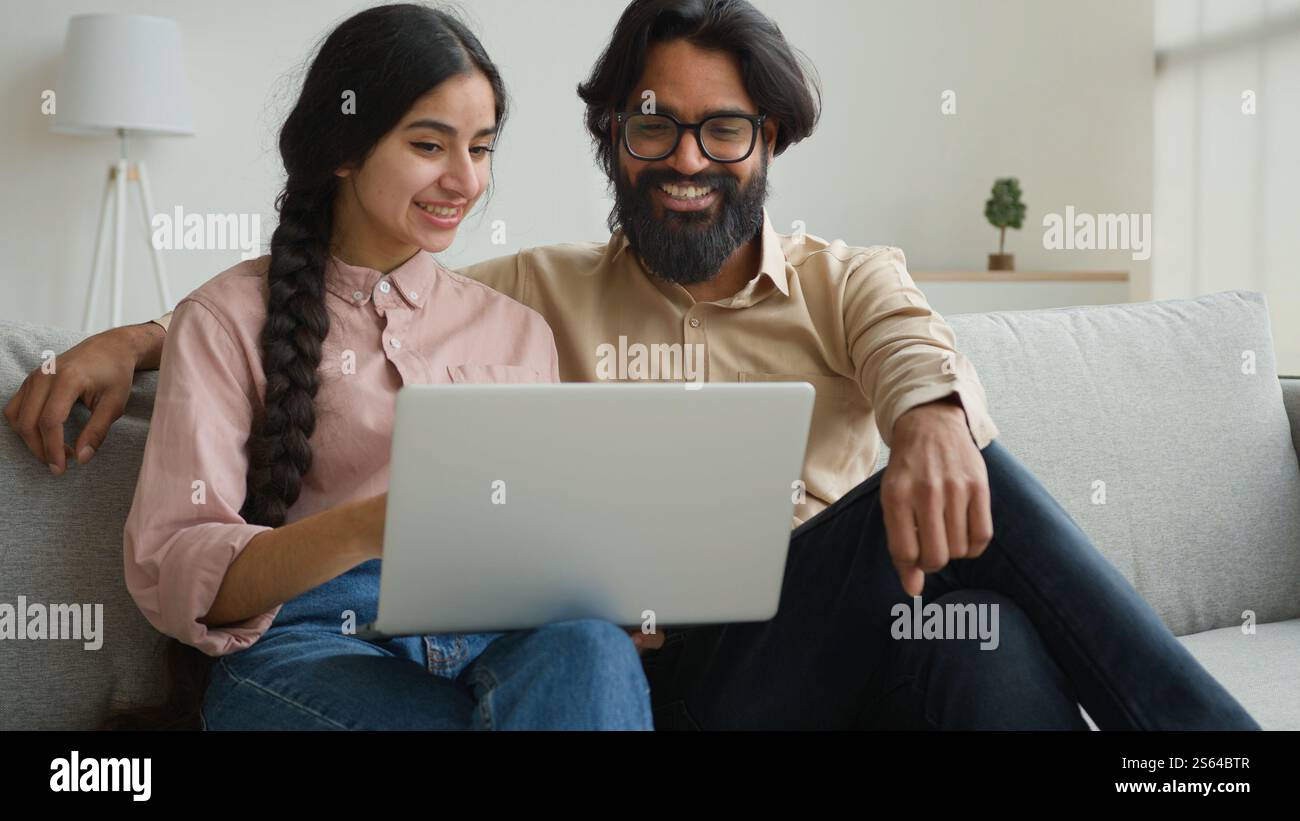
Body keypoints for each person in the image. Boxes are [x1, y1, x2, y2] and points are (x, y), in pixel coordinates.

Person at [5, 0, 1259, 730]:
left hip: (776, 643)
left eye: (725, 127)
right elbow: (322, 307)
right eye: (654, 121)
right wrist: (138, 335)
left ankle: (1205, 751)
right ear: (615, 133)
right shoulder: (534, 295)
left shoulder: (834, 277)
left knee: (976, 633)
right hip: (553, 655)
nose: (687, 156)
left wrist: (931, 413)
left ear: (766, 141)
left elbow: (906, 345)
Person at [67, 3, 656, 730]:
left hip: (491, 637)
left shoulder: (517, 330)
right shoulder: (224, 319)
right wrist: (366, 528)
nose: (466, 181)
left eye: (480, 148)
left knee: (593, 654)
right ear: (343, 148)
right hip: (306, 643)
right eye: (430, 145)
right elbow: (175, 566)